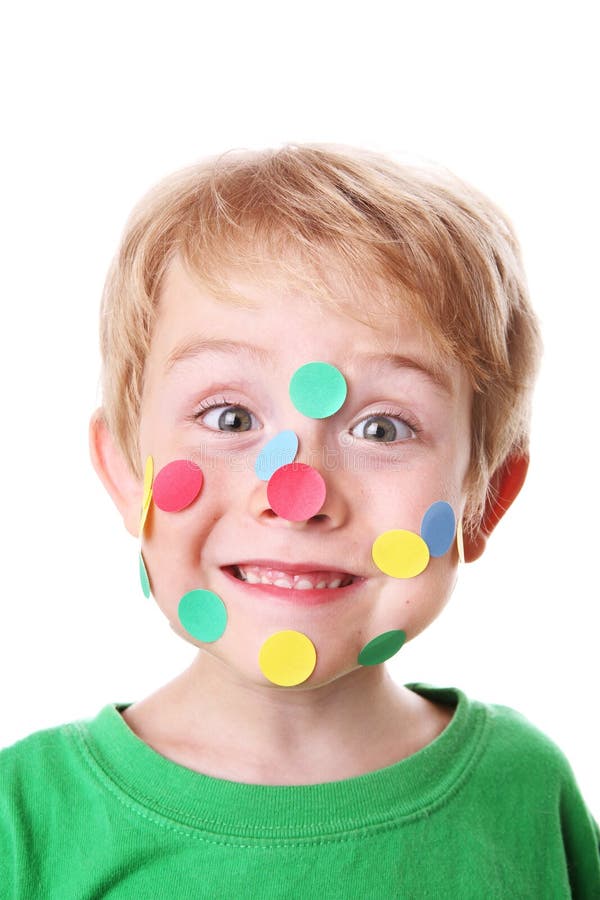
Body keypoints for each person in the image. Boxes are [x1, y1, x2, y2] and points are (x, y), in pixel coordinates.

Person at [1, 144, 598, 898]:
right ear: (126, 471)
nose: (297, 492)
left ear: (485, 501)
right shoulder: (23, 817)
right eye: (229, 416)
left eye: (382, 429)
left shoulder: (526, 795)